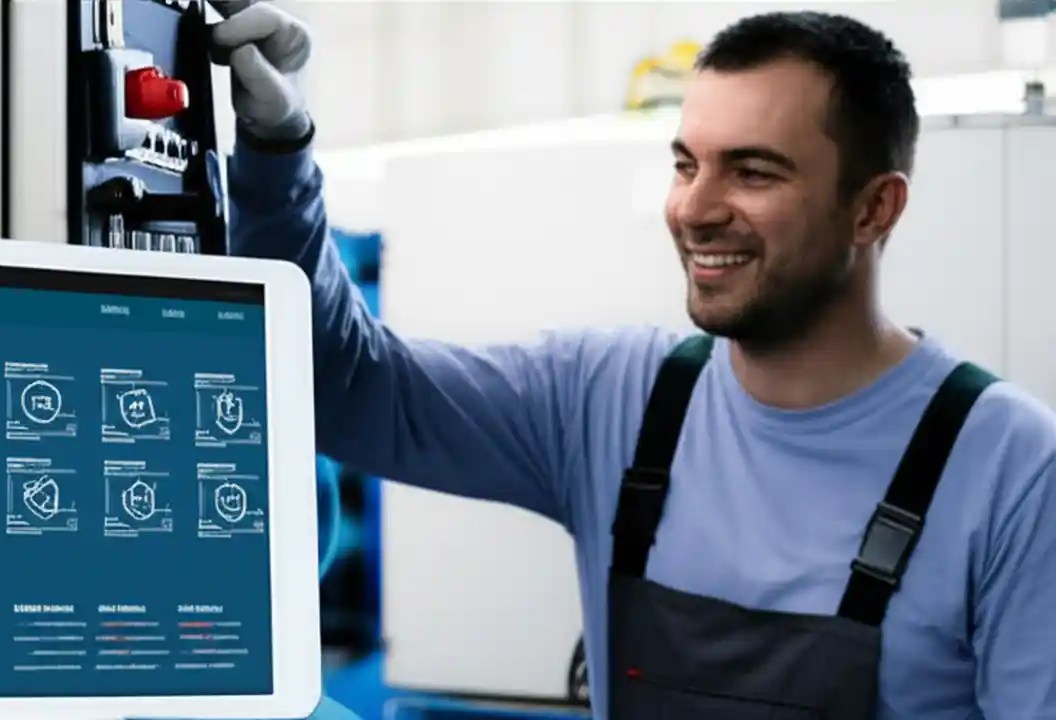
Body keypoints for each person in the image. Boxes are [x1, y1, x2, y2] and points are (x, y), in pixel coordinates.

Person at [211, 4, 1056, 719]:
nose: (695, 208)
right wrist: (278, 153)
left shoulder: (1010, 466)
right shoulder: (611, 399)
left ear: (874, 208)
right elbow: (343, 384)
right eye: (687, 164)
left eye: (752, 172)